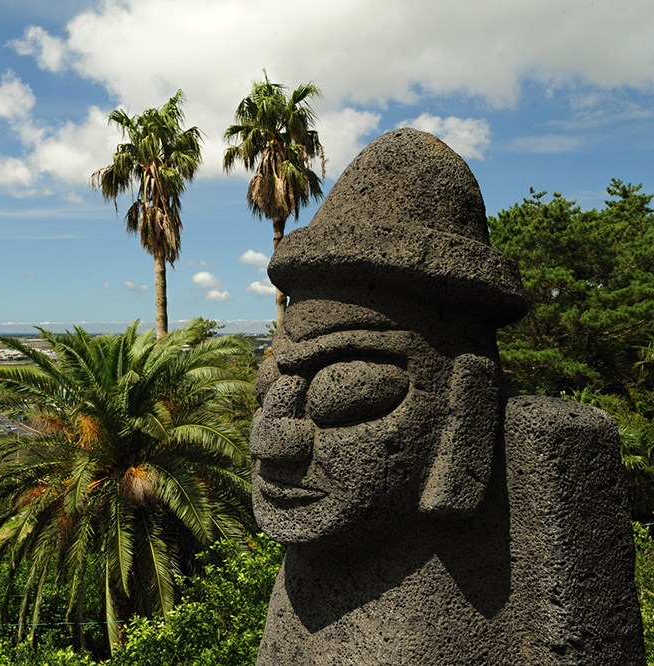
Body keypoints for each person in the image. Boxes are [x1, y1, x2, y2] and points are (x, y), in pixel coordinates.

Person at [252, 128, 642, 666]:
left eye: (343, 394)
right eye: (267, 388)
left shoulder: (540, 475)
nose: (271, 442)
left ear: (466, 405)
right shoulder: (312, 561)